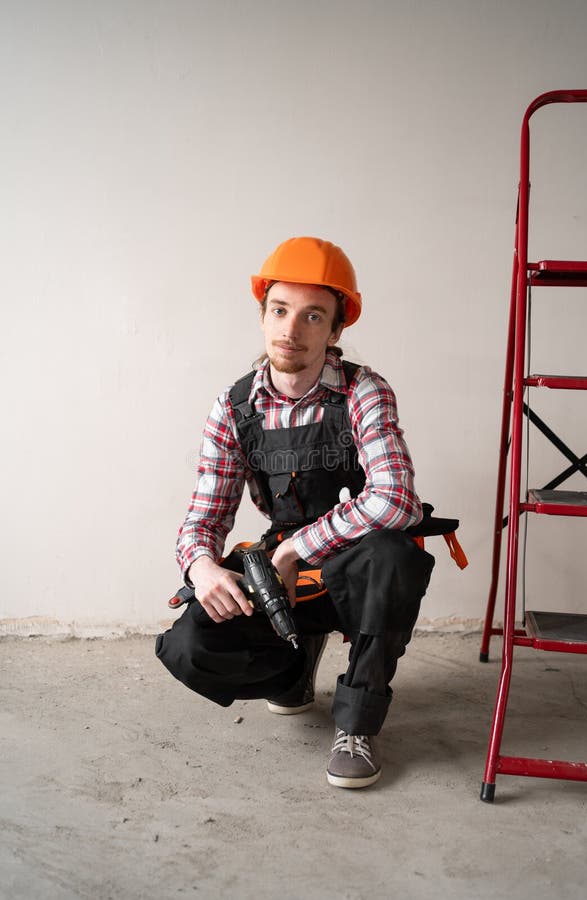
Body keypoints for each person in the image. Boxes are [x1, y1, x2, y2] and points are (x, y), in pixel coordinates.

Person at [156, 236, 435, 789]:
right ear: (263, 316)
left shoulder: (363, 391)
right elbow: (203, 520)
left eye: (313, 316)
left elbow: (395, 499)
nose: (292, 329)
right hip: (289, 578)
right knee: (189, 647)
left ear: (335, 330)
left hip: (357, 568)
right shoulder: (234, 408)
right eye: (280, 310)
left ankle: (357, 723)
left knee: (392, 556)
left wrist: (293, 549)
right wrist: (203, 568)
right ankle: (292, 670)